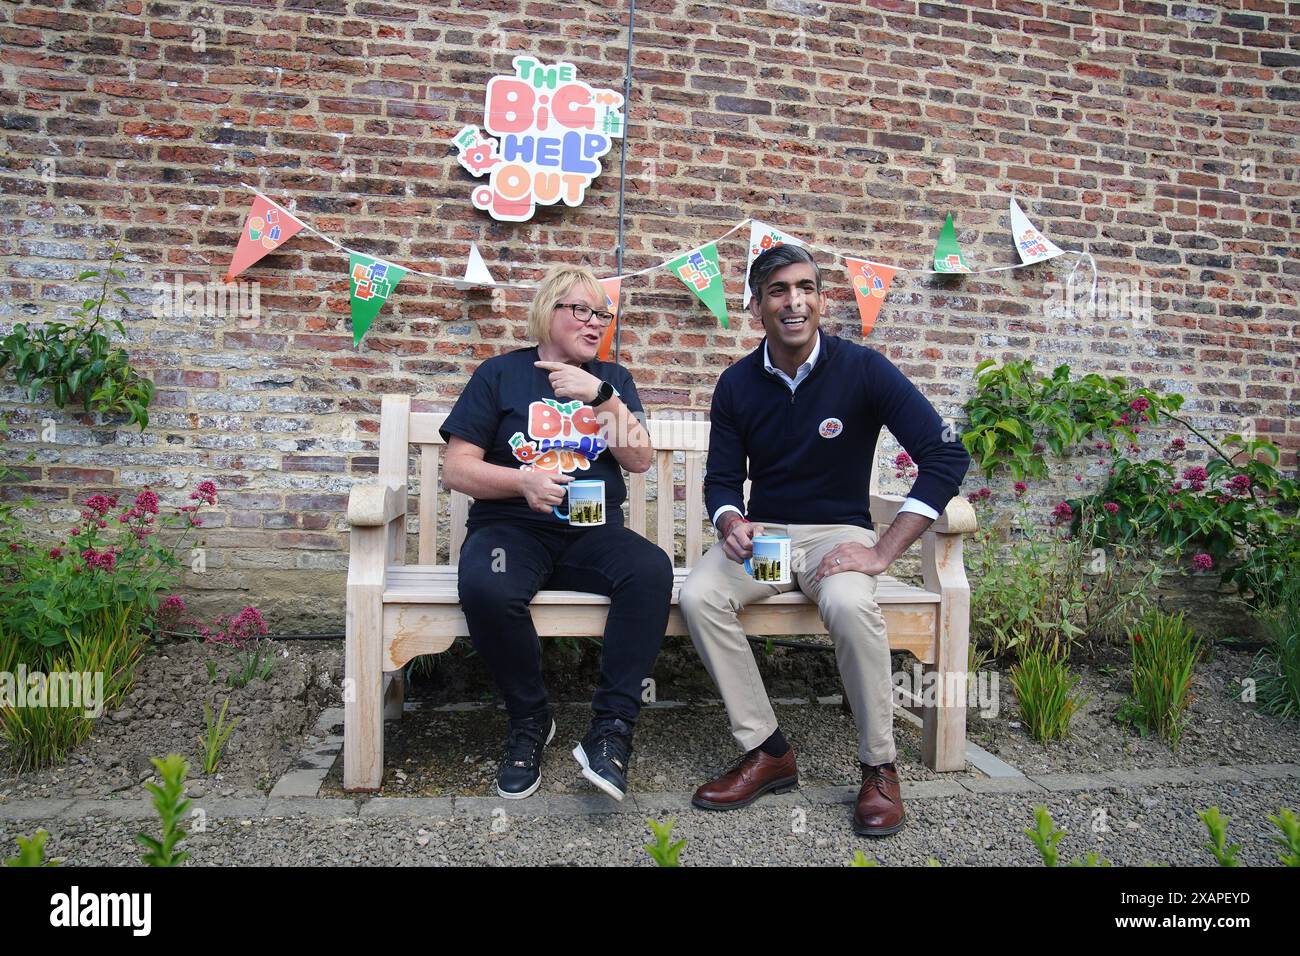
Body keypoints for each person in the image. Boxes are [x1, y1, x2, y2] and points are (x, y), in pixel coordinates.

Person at [679, 243, 971, 836]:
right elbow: (721, 480)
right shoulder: (736, 383)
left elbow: (945, 455)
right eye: (780, 290)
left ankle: (879, 765)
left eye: (807, 288)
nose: (796, 301)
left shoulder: (863, 368)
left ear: (821, 298)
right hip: (768, 543)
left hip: (838, 535)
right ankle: (767, 751)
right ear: (757, 305)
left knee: (846, 600)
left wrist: (885, 549)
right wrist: (731, 522)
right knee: (700, 595)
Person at [440, 265, 672, 802]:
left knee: (650, 569)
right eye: (582, 311)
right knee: (488, 587)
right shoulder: (499, 375)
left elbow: (638, 460)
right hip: (512, 529)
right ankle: (528, 719)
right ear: (549, 312)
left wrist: (603, 396)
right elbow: (456, 469)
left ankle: (610, 732)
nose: (596, 325)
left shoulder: (612, 379)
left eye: (603, 315)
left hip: (592, 530)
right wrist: (522, 481)